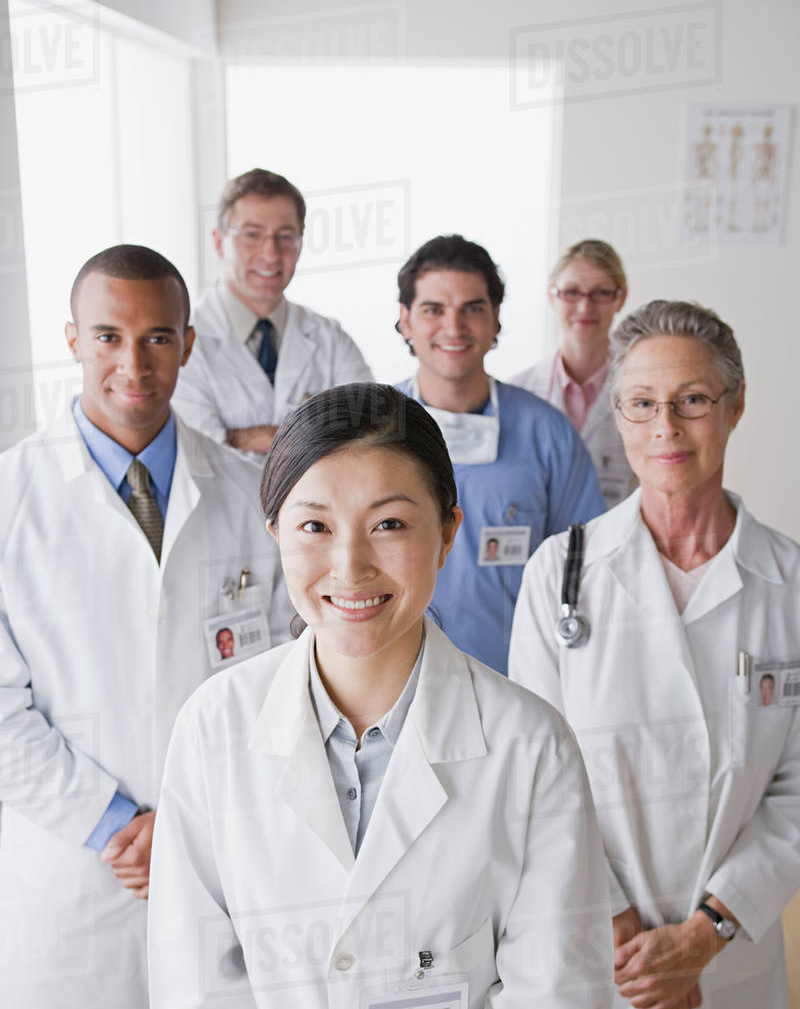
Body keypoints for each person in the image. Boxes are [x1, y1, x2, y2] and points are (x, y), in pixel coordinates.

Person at [148, 382, 613, 1009]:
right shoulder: (213, 730)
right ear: (275, 532)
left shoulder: (532, 748)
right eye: (315, 526)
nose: (351, 565)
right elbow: (197, 999)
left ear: (449, 530)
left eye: (390, 523)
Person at [0, 245, 291, 1009]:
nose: (134, 363)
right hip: (76, 861)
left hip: (217, 856)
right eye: (110, 337)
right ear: (72, 342)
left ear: (190, 342)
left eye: (158, 337)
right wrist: (118, 826)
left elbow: (282, 682)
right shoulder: (11, 498)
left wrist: (187, 829)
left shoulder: (247, 494)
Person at [509, 300, 800, 1009]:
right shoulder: (558, 578)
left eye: (694, 400)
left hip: (727, 956)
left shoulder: (787, 581)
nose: (664, 425)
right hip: (604, 957)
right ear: (616, 414)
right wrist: (626, 933)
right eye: (640, 403)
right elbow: (537, 786)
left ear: (736, 406)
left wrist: (707, 932)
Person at [395, 234, 604, 674]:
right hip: (389, 685)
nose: (454, 328)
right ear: (405, 321)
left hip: (514, 686)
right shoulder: (371, 431)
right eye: (433, 310)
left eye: (473, 308)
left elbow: (586, 575)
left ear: (495, 321)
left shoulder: (548, 436)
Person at [172, 167, 373, 459]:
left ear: (300, 245)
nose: (271, 253)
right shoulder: (183, 340)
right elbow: (199, 455)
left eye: (285, 236)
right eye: (252, 234)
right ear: (219, 242)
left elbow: (371, 438)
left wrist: (240, 437)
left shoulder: (330, 338)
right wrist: (319, 438)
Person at [511, 239, 633, 508]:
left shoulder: (640, 391)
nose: (584, 308)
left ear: (620, 298)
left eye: (600, 293)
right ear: (552, 296)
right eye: (571, 293)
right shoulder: (518, 393)